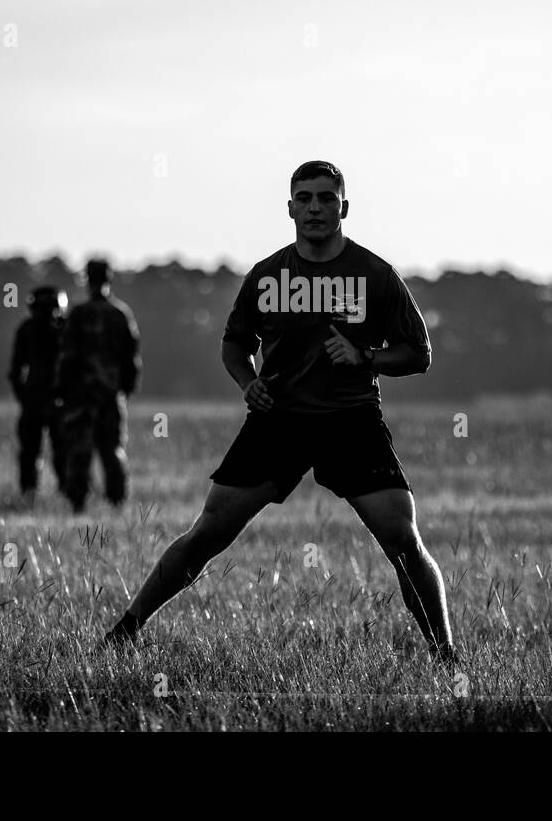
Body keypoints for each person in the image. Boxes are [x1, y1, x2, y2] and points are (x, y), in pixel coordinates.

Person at [105, 160, 457, 663]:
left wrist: (366, 357)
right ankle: (125, 630)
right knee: (208, 533)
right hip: (278, 423)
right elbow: (233, 344)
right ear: (290, 207)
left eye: (326, 198)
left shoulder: (375, 275)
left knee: (404, 540)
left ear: (344, 207)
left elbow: (418, 352)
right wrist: (249, 385)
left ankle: (446, 657)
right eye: (305, 198)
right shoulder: (267, 275)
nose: (315, 207)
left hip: (351, 420)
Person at [55, 260, 141, 512]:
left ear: (87, 278)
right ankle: (117, 503)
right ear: (109, 278)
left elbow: (66, 356)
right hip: (111, 394)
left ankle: (78, 504)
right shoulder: (120, 313)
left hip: (81, 396)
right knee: (112, 449)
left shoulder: (78, 314)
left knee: (79, 451)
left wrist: (61, 389)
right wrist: (126, 388)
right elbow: (132, 356)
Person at [8, 285, 67, 500]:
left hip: (45, 398)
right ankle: (40, 491)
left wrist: (23, 395)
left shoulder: (28, 329)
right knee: (43, 451)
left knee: (45, 452)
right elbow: (16, 370)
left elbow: (15, 371)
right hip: (46, 399)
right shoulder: (60, 329)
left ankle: (33, 492)